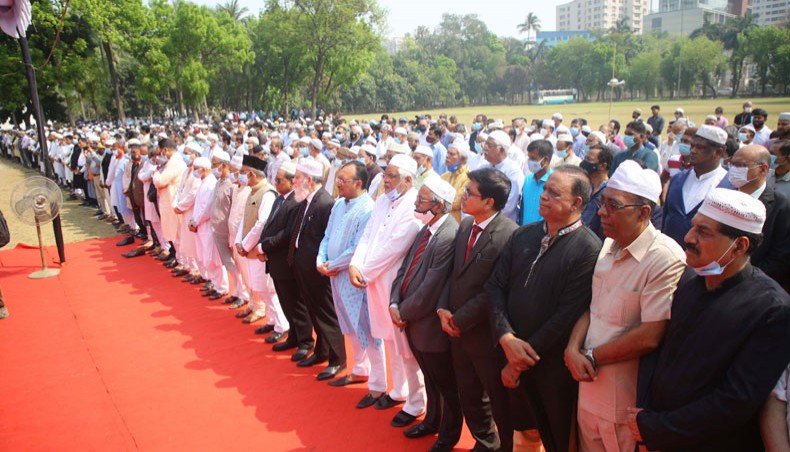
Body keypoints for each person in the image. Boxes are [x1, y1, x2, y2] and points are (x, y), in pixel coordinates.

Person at [630, 188, 790, 451]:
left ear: (739, 245)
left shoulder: (772, 309)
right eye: (693, 227)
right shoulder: (690, 279)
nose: (688, 237)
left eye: (703, 232)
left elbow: (736, 400)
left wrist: (657, 428)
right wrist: (645, 421)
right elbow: (659, 353)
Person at [564, 160, 686, 452]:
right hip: (588, 389)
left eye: (613, 206)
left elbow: (650, 335)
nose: (602, 212)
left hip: (622, 402)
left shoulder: (664, 258)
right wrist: (571, 348)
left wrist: (591, 357)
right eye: (602, 202)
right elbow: (594, 307)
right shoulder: (608, 246)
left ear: (644, 212)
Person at [487, 165, 602, 452]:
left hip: (551, 367)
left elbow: (566, 316)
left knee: (557, 437)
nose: (543, 196)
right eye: (545, 189)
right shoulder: (523, 235)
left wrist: (518, 361)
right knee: (521, 432)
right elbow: (495, 287)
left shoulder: (588, 249)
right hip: (510, 349)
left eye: (554, 192)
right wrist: (506, 338)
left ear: (577, 203)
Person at [437, 167, 518, 451]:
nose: (464, 194)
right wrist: (442, 309)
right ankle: (485, 442)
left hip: (484, 335)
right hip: (456, 331)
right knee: (469, 394)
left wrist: (459, 318)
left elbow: (493, 291)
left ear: (489, 203)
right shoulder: (465, 225)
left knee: (498, 400)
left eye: (470, 192)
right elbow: (453, 274)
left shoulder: (509, 235)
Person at [349, 154, 426, 427]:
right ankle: (399, 390)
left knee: (404, 345)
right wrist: (356, 264)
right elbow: (368, 235)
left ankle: (417, 402)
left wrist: (365, 271)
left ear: (408, 179)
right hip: (374, 279)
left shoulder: (415, 205)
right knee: (389, 340)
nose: (385, 179)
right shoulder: (383, 199)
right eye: (385, 174)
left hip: (395, 283)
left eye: (392, 175)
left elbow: (396, 246)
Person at [389, 175, 461, 451]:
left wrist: (403, 311)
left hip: (428, 325)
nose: (416, 203)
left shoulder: (448, 235)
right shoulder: (426, 229)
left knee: (446, 385)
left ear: (439, 206)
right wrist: (394, 302)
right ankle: (432, 421)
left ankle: (448, 434)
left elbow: (430, 289)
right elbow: (405, 270)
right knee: (430, 380)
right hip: (412, 321)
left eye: (422, 199)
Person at [316, 162, 383, 397]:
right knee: (349, 326)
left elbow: (358, 247)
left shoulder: (368, 209)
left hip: (353, 276)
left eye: (343, 180)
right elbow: (327, 236)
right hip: (335, 275)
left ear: (358, 183)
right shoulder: (337, 205)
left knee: (367, 328)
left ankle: (379, 385)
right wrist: (320, 261)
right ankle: (360, 369)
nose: (338, 183)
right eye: (338, 179)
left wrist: (331, 265)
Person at [289, 158, 347, 381]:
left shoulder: (324, 203)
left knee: (326, 315)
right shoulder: (307, 199)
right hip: (304, 267)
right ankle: (322, 351)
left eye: (297, 178)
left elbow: (329, 239)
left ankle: (338, 359)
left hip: (318, 271)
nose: (294, 181)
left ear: (309, 181)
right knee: (314, 313)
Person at [260, 161, 311, 349]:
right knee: (285, 303)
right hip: (275, 261)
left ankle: (305, 342)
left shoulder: (297, 200)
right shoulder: (280, 198)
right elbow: (270, 225)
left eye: (279, 180)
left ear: (291, 181)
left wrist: (265, 246)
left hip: (287, 261)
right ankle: (294, 337)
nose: (275, 183)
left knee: (296, 305)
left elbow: (288, 233)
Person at [729, 144, 790, 291]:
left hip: (757, 288)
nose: (734, 169)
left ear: (763, 169)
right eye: (732, 164)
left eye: (741, 165)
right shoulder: (725, 197)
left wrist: (742, 277)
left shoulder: (781, 205)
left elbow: (780, 256)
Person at [661, 125, 731, 248]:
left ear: (718, 152)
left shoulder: (728, 186)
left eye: (700, 147)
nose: (692, 151)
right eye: (692, 146)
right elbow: (666, 219)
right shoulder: (678, 179)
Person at [152, 139, 187, 263]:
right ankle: (179, 260)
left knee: (177, 234)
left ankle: (182, 262)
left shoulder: (175, 162)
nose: (161, 154)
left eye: (161, 151)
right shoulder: (172, 161)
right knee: (175, 234)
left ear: (165, 149)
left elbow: (161, 181)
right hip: (170, 200)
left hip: (173, 201)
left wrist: (155, 172)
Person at [481, 130, 524, 223]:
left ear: (501, 150)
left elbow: (508, 206)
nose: (485, 147)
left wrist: (485, 217)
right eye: (485, 144)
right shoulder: (483, 167)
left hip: (502, 224)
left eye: (489, 145)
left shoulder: (513, 172)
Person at [580, 144, 613, 240]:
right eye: (585, 158)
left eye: (589, 159)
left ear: (602, 165)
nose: (584, 162)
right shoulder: (584, 187)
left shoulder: (608, 194)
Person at [520, 140, 553, 226]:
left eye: (533, 158)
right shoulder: (528, 179)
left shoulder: (554, 182)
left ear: (545, 160)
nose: (529, 161)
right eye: (529, 157)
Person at [441, 140, 470, 224]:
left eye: (452, 154)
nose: (447, 156)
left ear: (462, 159)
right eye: (447, 153)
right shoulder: (444, 176)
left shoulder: (468, 178)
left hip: (455, 224)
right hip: (440, 220)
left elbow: (455, 203)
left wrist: (438, 202)